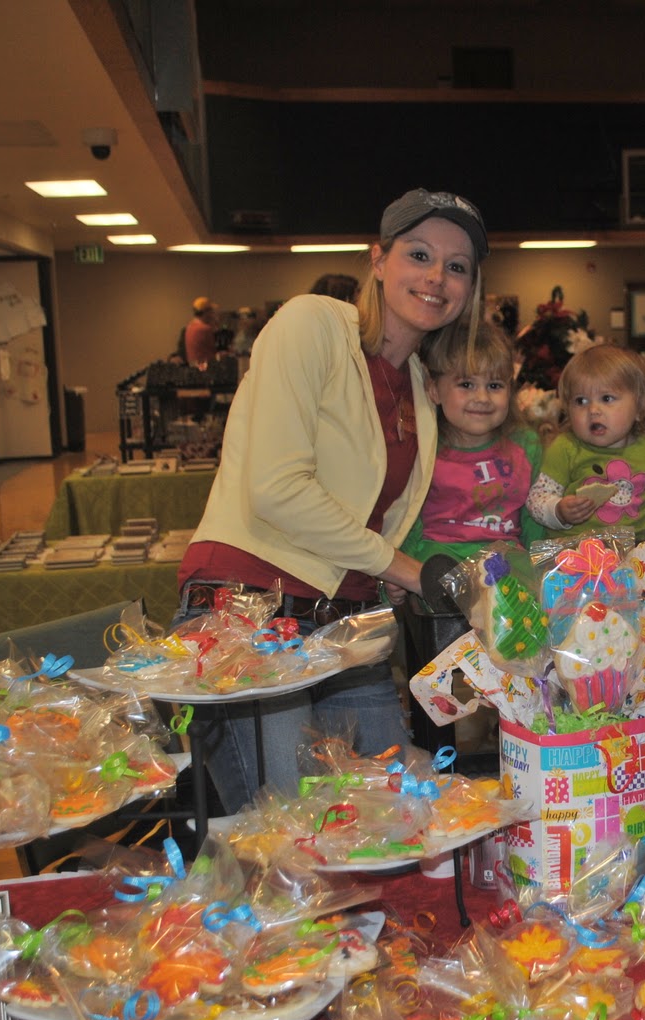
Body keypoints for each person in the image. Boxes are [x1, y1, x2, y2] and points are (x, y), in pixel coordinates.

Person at [178, 187, 489, 812]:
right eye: (419, 254)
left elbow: (370, 517)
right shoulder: (313, 323)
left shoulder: (421, 387)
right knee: (294, 835)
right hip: (247, 611)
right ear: (377, 260)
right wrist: (403, 569)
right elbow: (277, 489)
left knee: (393, 816)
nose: (436, 277)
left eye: (456, 266)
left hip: (345, 623)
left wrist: (385, 573)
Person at [401, 322, 544, 564]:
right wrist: (403, 571)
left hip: (505, 559)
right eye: (466, 385)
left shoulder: (525, 444)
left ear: (510, 390)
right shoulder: (424, 446)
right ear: (434, 389)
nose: (482, 398)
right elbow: (408, 519)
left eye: (494, 386)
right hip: (439, 556)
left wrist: (540, 570)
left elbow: (534, 518)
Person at [527, 343, 645, 543]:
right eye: (581, 401)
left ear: (639, 407)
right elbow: (537, 499)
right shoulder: (566, 447)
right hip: (573, 557)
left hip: (632, 558)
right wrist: (559, 510)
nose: (593, 410)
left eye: (607, 398)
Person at [184, 297, 221, 370]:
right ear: (206, 312)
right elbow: (213, 352)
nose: (212, 314)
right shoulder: (205, 329)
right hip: (206, 370)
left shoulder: (189, 327)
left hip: (193, 368)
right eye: (211, 311)